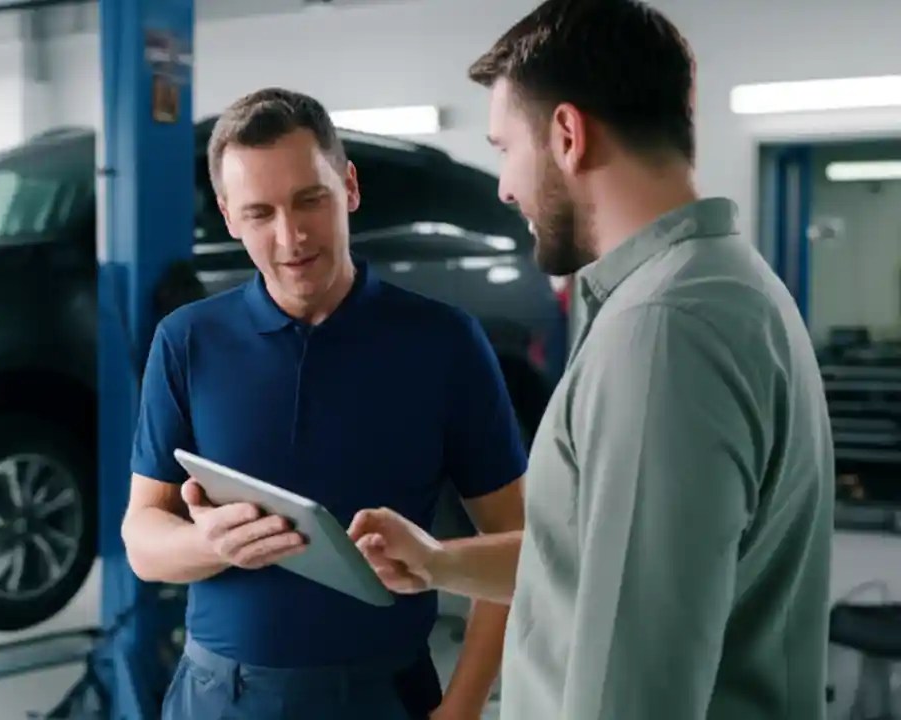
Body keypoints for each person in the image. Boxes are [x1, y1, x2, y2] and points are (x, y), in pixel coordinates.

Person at [350, 1, 836, 719]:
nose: (505, 187)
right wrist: (441, 562)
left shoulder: (664, 329)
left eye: (504, 147)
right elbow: (600, 557)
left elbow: (634, 691)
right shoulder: (718, 285)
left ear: (568, 134)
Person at [121, 87, 529, 719]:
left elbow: (516, 544)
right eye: (260, 213)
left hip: (380, 697)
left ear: (350, 187)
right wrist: (214, 546)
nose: (291, 237)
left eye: (310, 199)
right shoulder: (187, 341)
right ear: (229, 217)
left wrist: (464, 707)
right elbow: (143, 543)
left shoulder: (442, 343)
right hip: (216, 698)